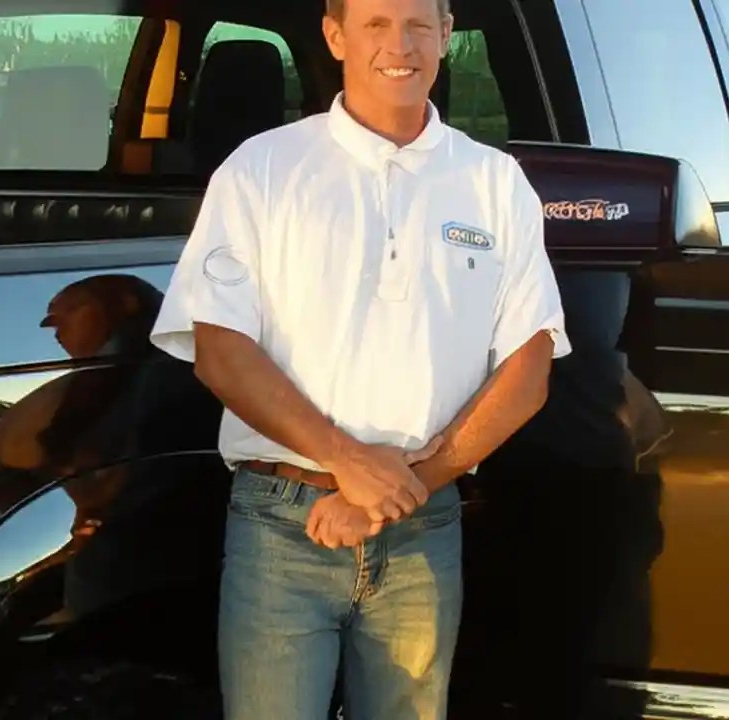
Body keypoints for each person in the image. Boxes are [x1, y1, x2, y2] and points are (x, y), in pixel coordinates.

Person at [148, 0, 571, 717]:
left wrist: (405, 484)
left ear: (446, 34)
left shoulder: (495, 184)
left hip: (423, 529)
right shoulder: (263, 171)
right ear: (336, 35)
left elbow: (529, 370)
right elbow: (219, 349)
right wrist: (344, 458)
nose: (398, 45)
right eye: (376, 23)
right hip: (282, 527)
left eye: (417, 25)